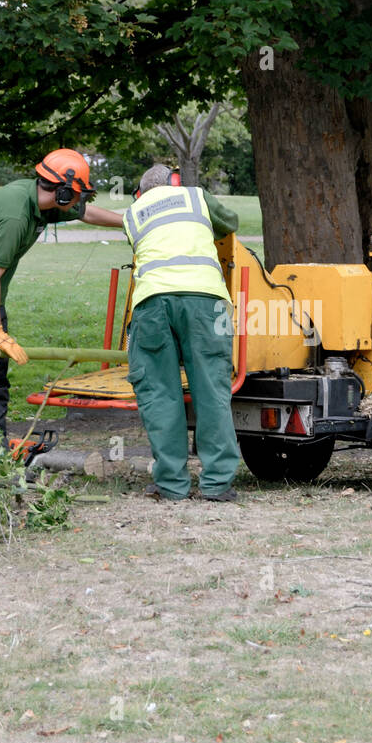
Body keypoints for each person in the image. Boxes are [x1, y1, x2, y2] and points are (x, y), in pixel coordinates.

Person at [0, 148, 123, 442]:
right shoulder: (15, 215)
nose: (79, 201)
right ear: (62, 191)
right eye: (77, 194)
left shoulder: (41, 202)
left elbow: (86, 213)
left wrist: (130, 223)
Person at [123, 164, 241, 501]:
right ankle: (217, 485)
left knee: (159, 394)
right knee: (211, 390)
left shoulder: (133, 213)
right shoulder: (196, 197)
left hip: (152, 304)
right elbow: (229, 223)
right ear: (174, 183)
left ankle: (172, 484)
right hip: (205, 302)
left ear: (142, 192)